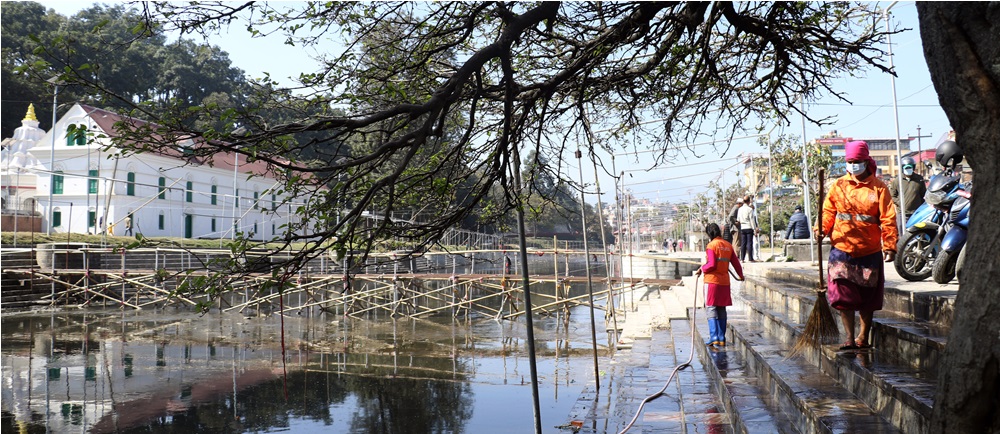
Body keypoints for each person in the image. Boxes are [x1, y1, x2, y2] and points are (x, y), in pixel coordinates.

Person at [818, 140, 898, 350]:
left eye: (857, 161)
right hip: (842, 249)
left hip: (869, 250)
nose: (853, 165)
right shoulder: (839, 186)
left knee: (867, 298)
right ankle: (849, 338)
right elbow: (828, 212)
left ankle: (863, 337)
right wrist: (821, 229)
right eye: (850, 161)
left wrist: (890, 245)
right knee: (843, 295)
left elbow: (888, 218)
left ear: (865, 161)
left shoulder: (879, 188)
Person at [695, 223, 744, 347]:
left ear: (709, 234)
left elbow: (711, 264)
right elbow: (736, 263)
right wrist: (741, 275)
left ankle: (714, 336)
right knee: (721, 308)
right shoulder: (727, 245)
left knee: (711, 308)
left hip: (712, 281)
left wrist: (702, 268)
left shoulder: (711, 245)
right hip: (724, 282)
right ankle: (722, 337)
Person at [888, 156, 927, 222]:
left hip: (916, 212)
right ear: (902, 168)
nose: (908, 169)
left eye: (910, 167)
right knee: (902, 231)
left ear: (913, 168)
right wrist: (900, 202)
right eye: (906, 168)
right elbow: (892, 195)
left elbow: (923, 194)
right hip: (902, 213)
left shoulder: (919, 179)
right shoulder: (897, 181)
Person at [737, 195, 758, 262]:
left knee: (743, 243)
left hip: (742, 227)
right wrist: (754, 229)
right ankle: (750, 258)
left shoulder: (740, 209)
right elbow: (752, 220)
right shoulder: (750, 209)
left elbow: (738, 219)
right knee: (749, 243)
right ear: (749, 201)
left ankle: (742, 258)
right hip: (749, 227)